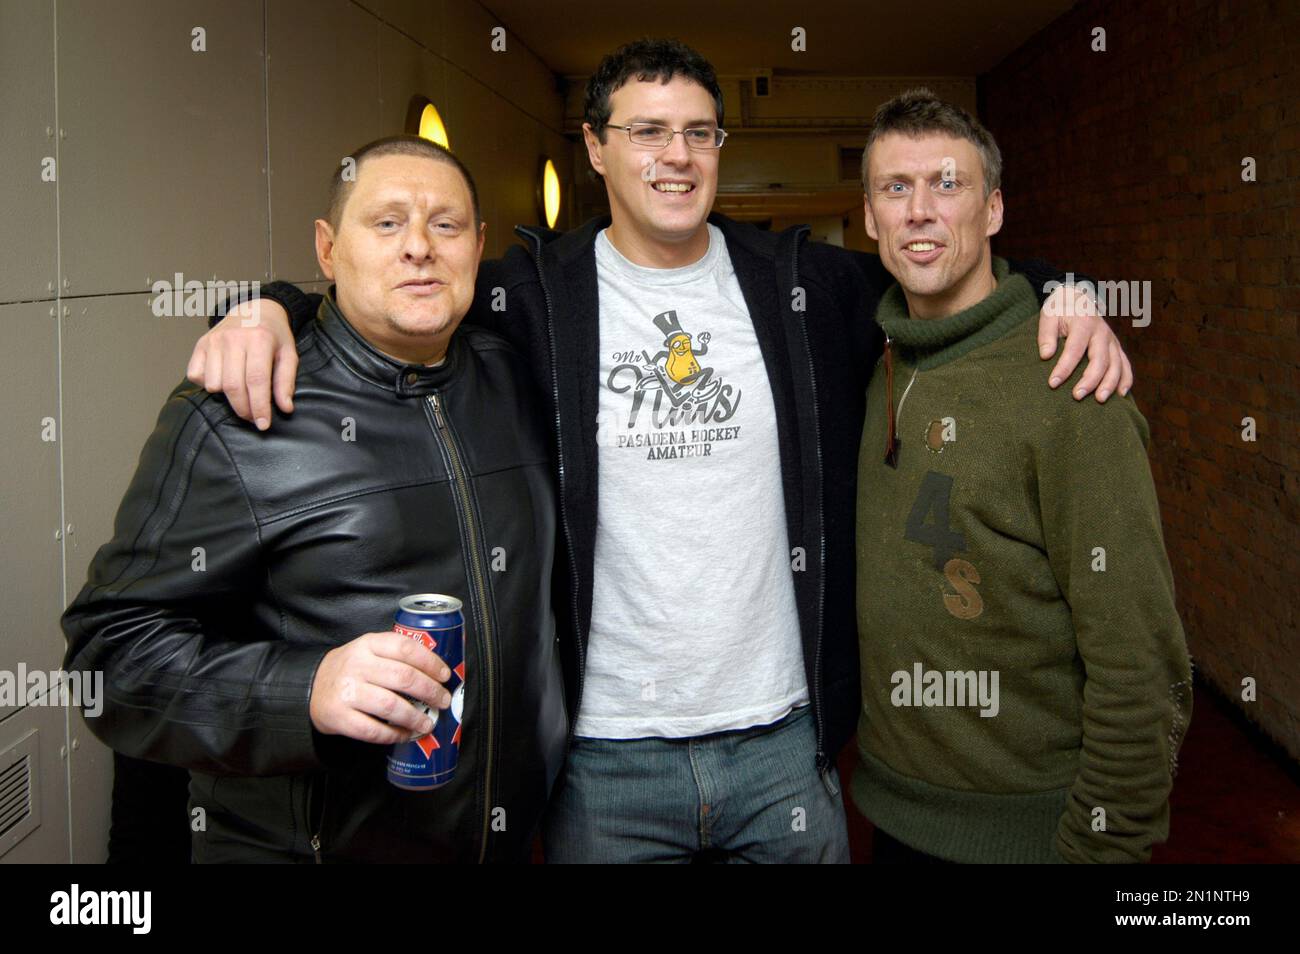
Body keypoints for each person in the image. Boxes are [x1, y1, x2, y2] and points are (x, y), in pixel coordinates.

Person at [188, 39, 1133, 863]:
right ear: (595, 147)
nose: (675, 155)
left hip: (784, 745)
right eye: (646, 131)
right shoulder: (530, 298)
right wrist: (273, 302)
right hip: (605, 762)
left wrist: (1063, 288)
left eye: (698, 132)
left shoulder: (800, 286)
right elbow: (402, 286)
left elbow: (943, 264)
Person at [62, 136, 567, 863]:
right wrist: (304, 691)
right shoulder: (241, 409)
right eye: (387, 223)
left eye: (446, 225)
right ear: (328, 250)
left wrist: (269, 301)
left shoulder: (518, 377)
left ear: (478, 247)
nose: (419, 247)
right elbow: (108, 656)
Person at [853, 89, 1191, 863]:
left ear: (995, 209)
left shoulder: (1071, 385)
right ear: (870, 217)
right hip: (895, 820)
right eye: (895, 188)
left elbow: (1143, 667)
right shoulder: (879, 359)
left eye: (949, 183)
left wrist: (1102, 850)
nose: (920, 211)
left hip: (1030, 839)